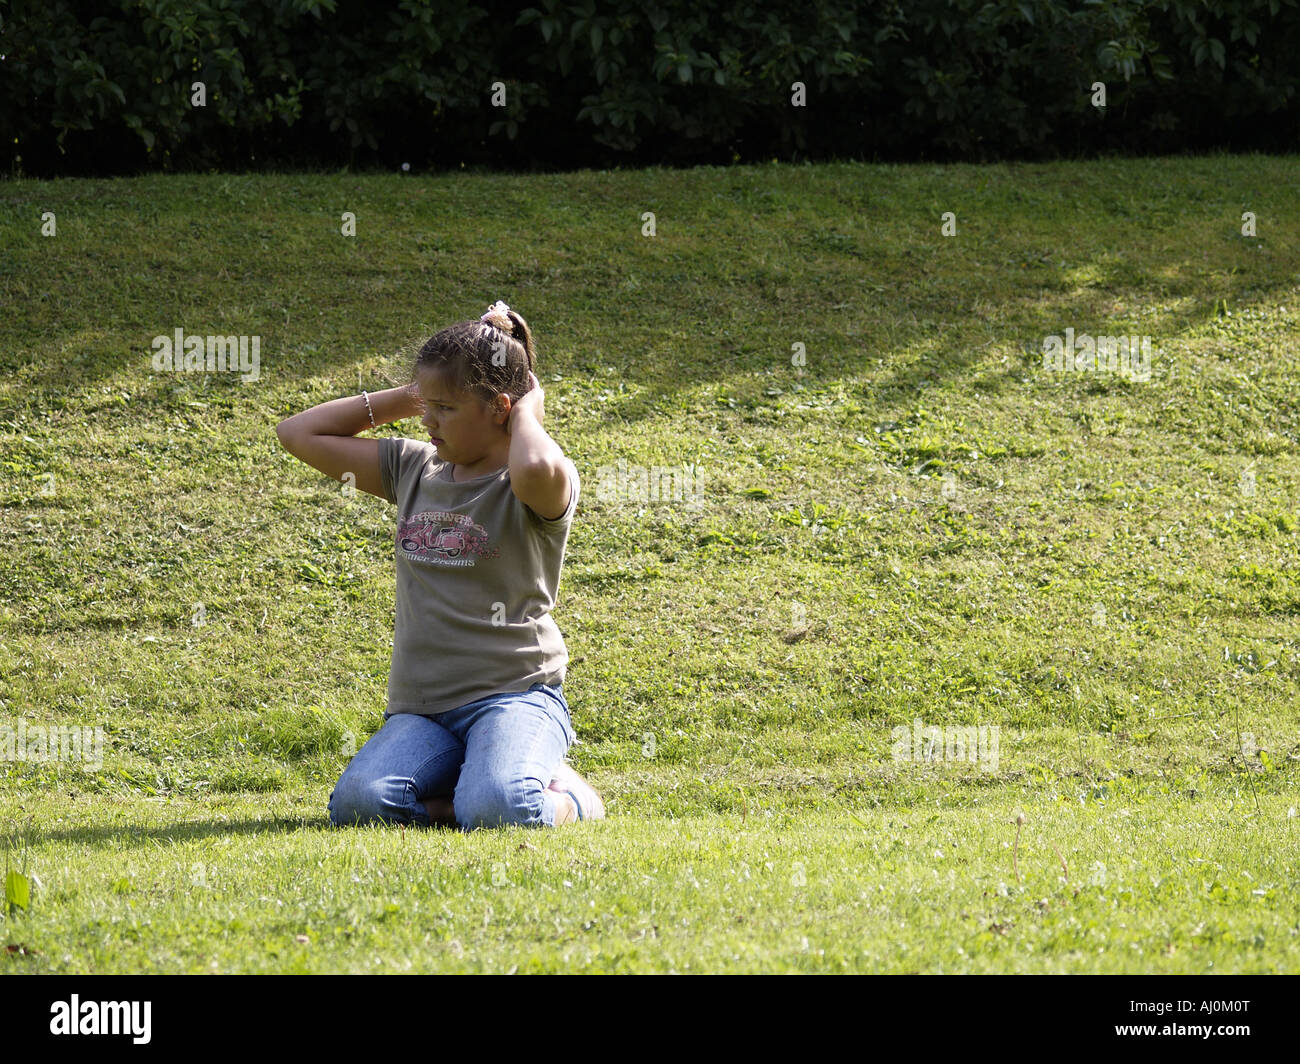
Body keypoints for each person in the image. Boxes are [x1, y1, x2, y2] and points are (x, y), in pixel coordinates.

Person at [275, 300, 604, 830]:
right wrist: (421, 393)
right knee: (359, 806)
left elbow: (537, 461)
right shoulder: (412, 468)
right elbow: (298, 434)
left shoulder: (531, 482)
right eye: (426, 407)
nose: (428, 421)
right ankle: (479, 791)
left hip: (515, 697)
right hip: (424, 709)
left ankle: (568, 797)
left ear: (499, 408)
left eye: (445, 409)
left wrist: (527, 406)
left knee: (499, 807)